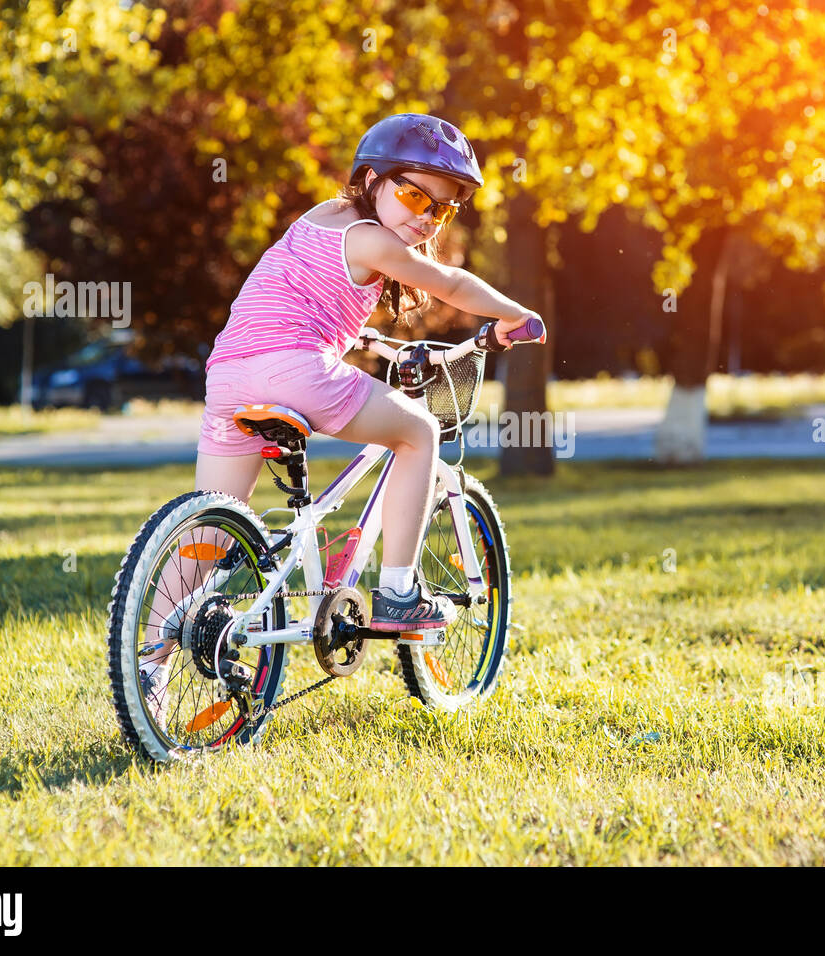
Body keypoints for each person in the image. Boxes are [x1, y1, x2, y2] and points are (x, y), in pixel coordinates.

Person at [138, 114, 540, 716]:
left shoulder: (321, 219)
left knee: (208, 536)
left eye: (444, 210)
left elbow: (303, 305)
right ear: (371, 179)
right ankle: (400, 594)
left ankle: (146, 666)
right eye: (412, 194)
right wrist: (514, 314)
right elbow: (451, 283)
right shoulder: (374, 240)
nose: (426, 216)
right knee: (418, 432)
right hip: (295, 370)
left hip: (228, 374)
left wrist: (375, 346)